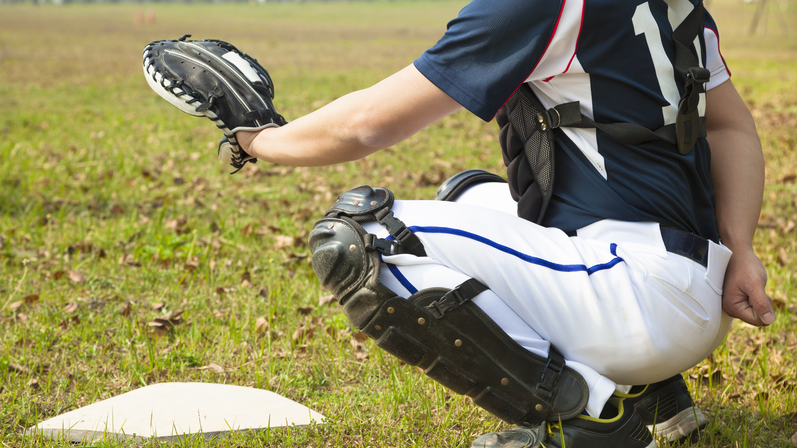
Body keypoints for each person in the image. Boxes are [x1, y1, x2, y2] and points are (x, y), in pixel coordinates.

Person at [145, 0, 773, 446]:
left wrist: (258, 139)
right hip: (695, 284)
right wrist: (741, 248)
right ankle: (657, 391)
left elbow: (368, 125)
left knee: (363, 239)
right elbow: (730, 128)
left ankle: (589, 418)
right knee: (468, 194)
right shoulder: (680, 4)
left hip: (637, 300)